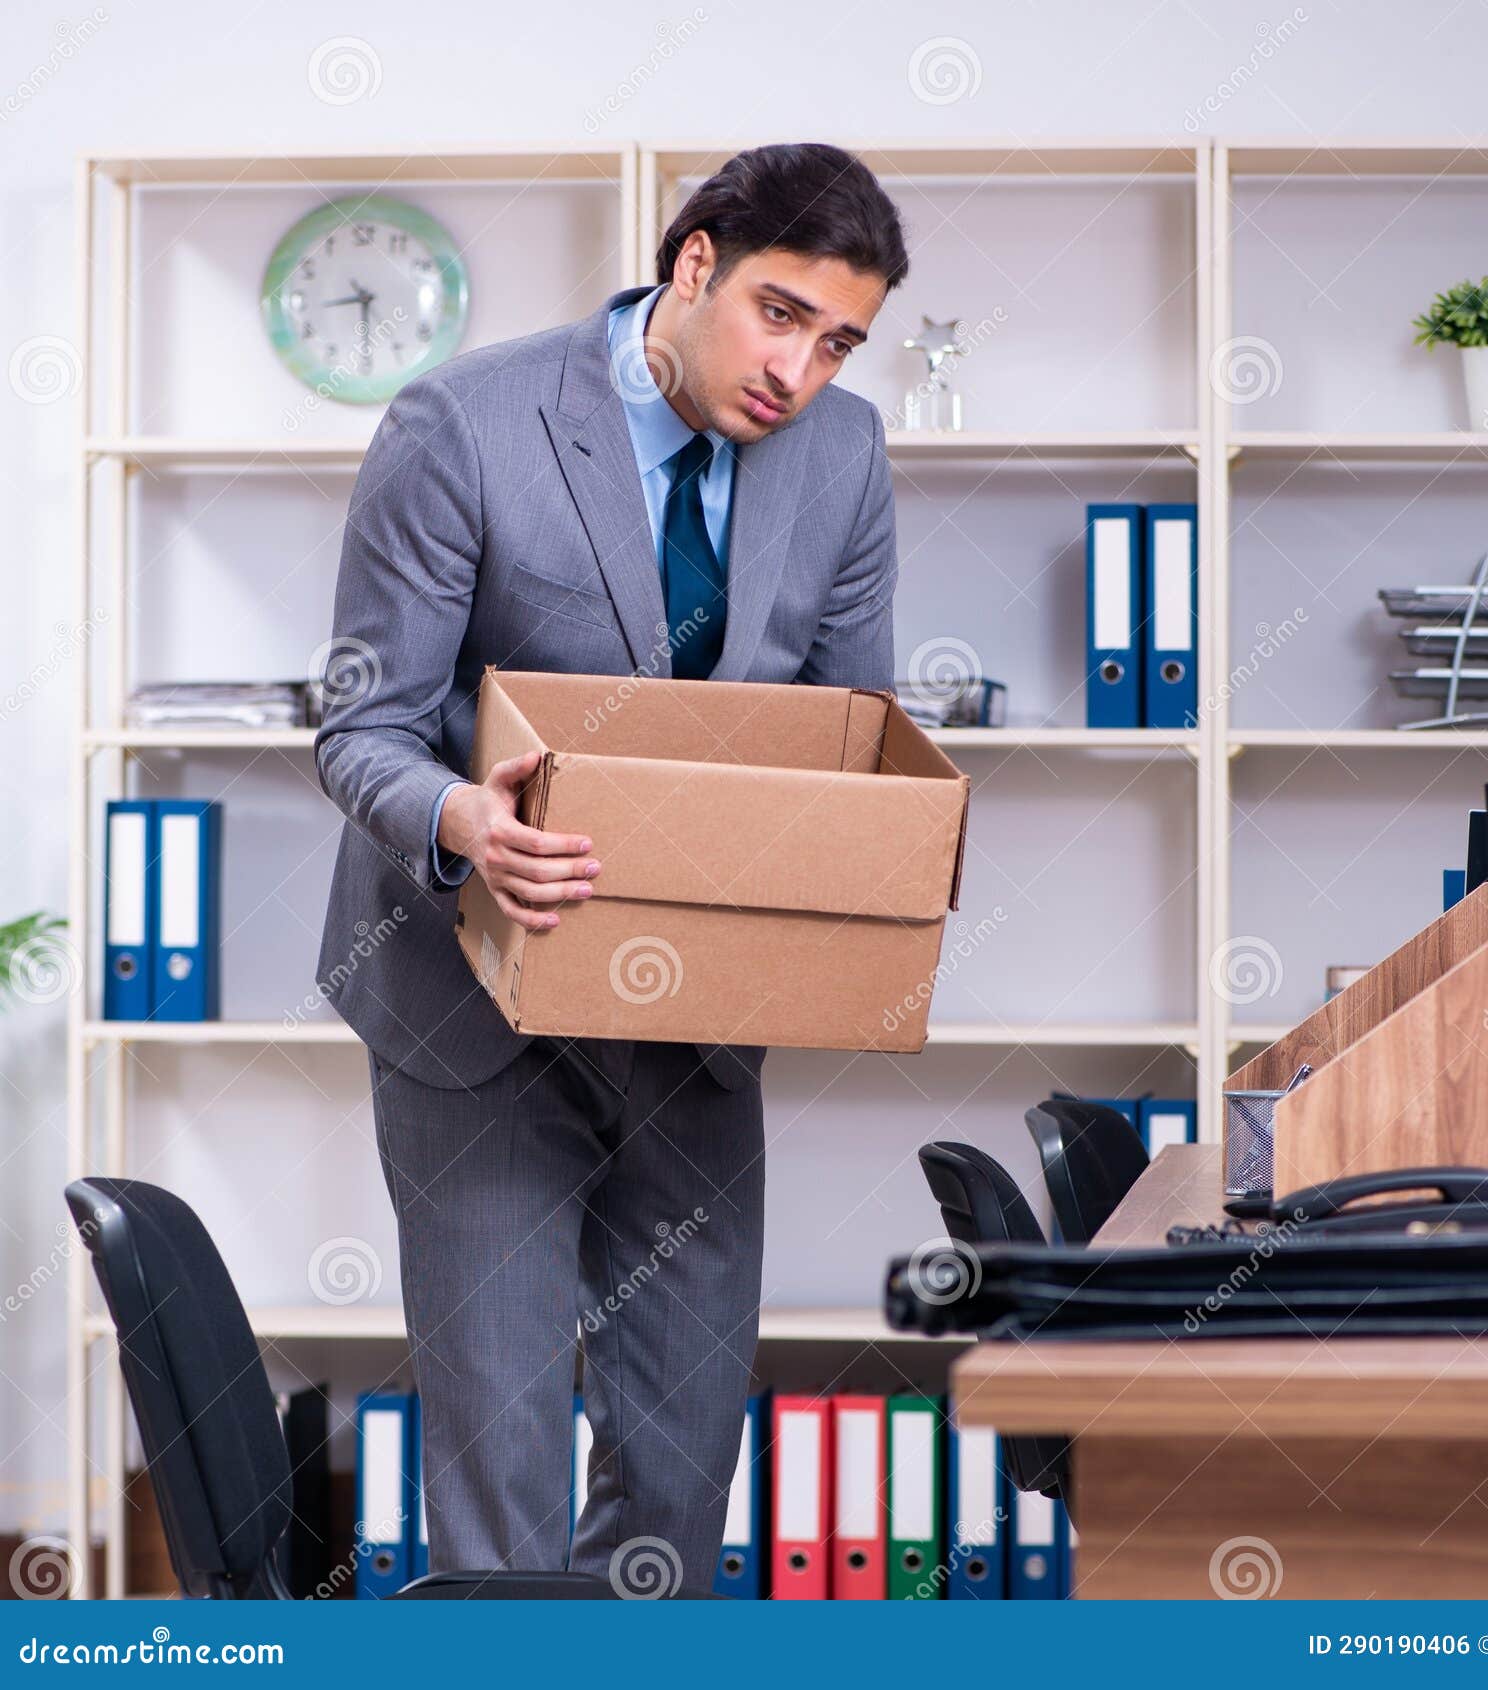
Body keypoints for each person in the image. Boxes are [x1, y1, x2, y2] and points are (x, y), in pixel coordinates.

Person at [313, 141, 909, 1592]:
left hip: (695, 1020)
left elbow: (855, 739)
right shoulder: (462, 423)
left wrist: (884, 858)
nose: (801, 373)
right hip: (475, 1009)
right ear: (692, 262)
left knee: (677, 1478)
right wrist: (468, 822)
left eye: (839, 342)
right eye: (780, 314)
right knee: (500, 1465)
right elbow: (363, 728)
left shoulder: (843, 453)